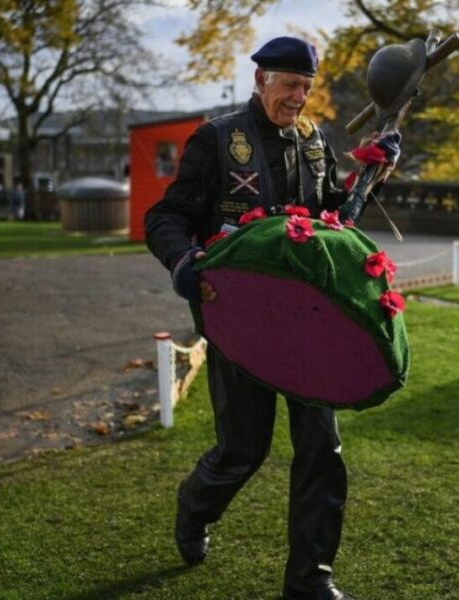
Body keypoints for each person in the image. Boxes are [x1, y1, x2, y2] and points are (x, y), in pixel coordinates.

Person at [145, 36, 393, 600]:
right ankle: (195, 504)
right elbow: (167, 216)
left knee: (321, 450)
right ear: (260, 81)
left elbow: (336, 216)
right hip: (241, 323)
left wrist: (375, 170)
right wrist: (183, 261)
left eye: (306, 87)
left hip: (310, 322)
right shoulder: (215, 139)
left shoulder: (314, 141)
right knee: (243, 449)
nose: (299, 98)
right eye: (289, 85)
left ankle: (311, 581)